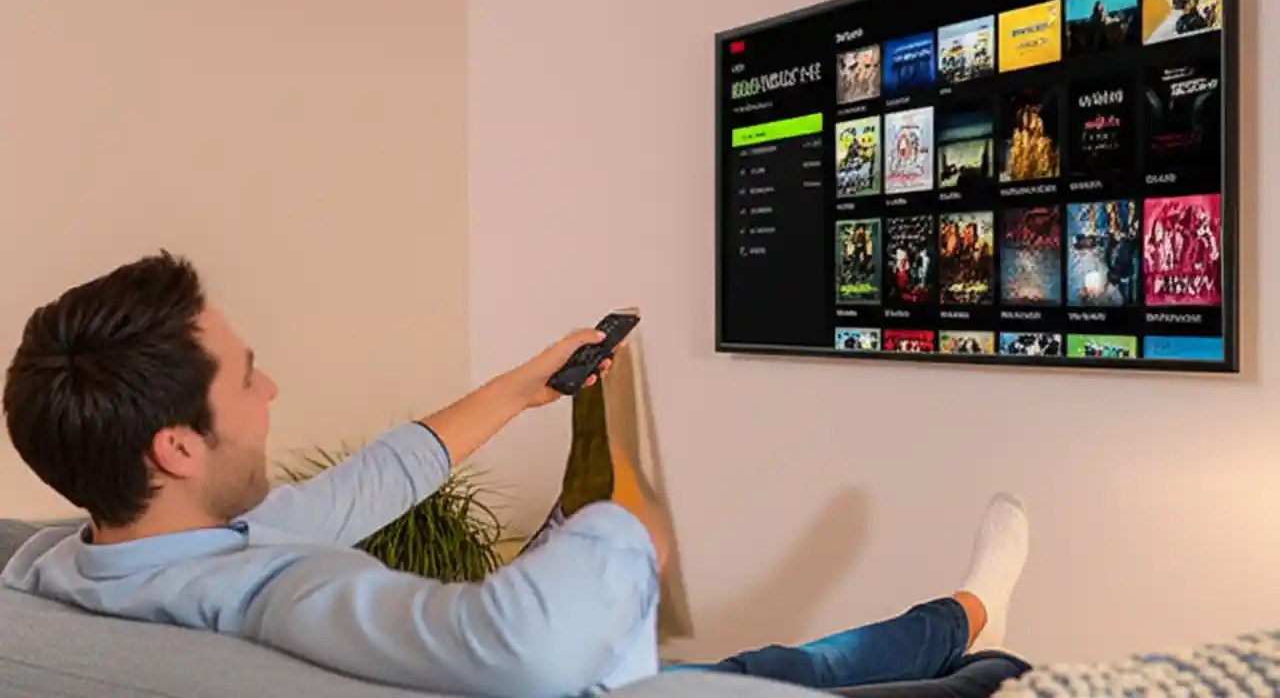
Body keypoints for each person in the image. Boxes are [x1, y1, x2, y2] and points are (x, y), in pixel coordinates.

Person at [0, 252, 1031, 697]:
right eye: (246, 377)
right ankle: (979, 621)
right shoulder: (271, 591)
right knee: (805, 671)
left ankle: (970, 612)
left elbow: (353, 491)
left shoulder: (66, 565)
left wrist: (518, 388)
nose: (272, 390)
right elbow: (525, 645)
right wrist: (623, 491)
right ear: (175, 447)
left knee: (782, 660)